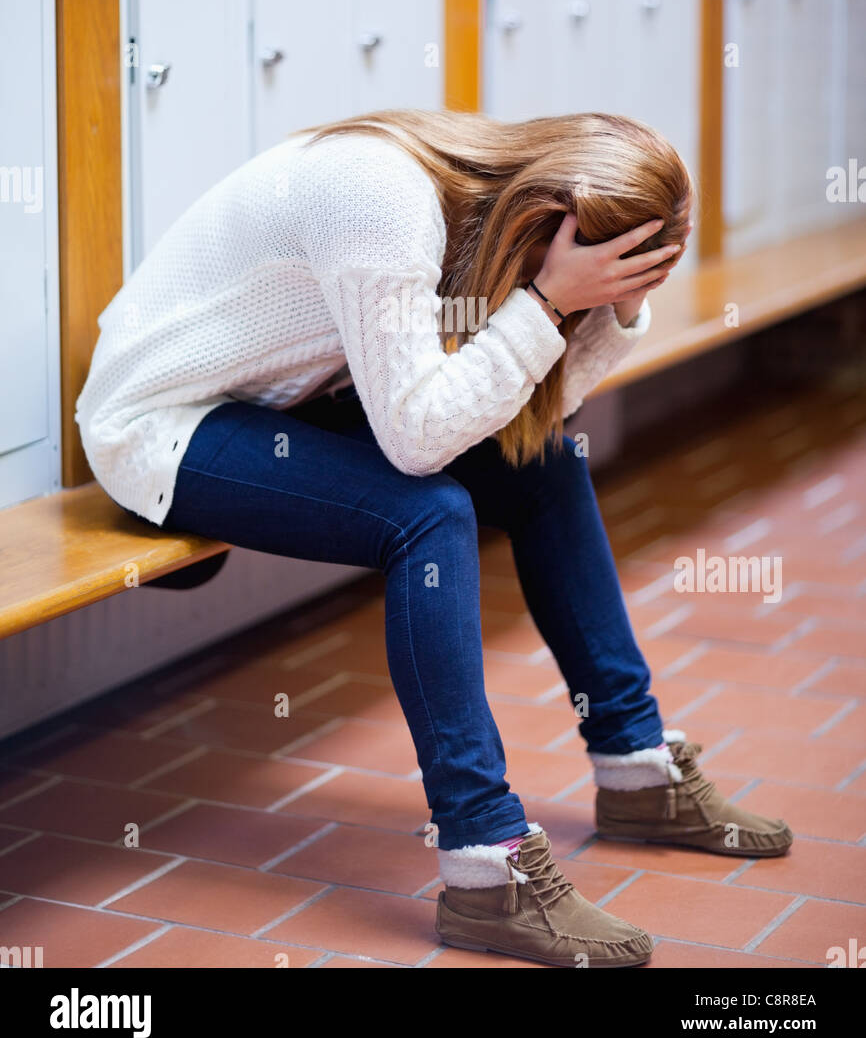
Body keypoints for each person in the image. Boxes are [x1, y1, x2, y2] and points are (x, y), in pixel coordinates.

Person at [76, 109, 792, 968]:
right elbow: (418, 440)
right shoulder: (381, 202)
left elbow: (540, 414)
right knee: (431, 515)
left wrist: (610, 308)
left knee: (548, 466)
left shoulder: (473, 197)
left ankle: (638, 772)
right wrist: (547, 302)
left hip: (281, 402)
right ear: (544, 223)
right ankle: (486, 867)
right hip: (162, 420)